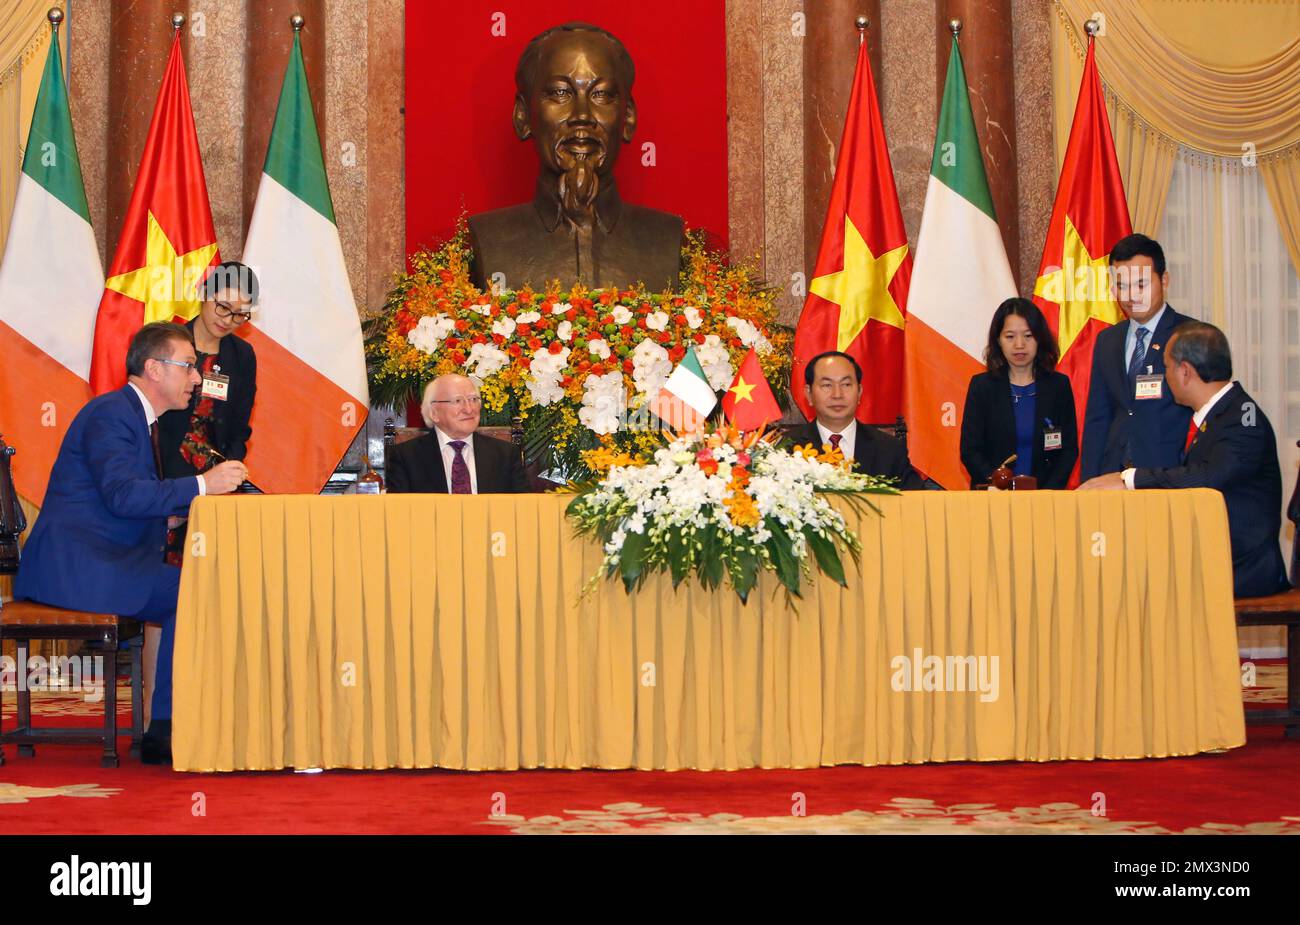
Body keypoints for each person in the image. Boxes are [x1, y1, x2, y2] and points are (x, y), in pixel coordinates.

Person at [13, 323, 248, 763]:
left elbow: (116, 500)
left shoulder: (134, 416)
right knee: (192, 590)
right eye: (189, 367)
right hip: (80, 567)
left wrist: (174, 514)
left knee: (192, 586)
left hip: (103, 557)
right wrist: (203, 483)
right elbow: (123, 495)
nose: (197, 379)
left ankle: (174, 722)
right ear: (155, 369)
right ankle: (168, 728)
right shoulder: (112, 415)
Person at [467, 21, 684, 291]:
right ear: (523, 116)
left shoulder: (669, 239)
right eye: (561, 93)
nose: (582, 115)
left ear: (628, 118)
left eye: (601, 94)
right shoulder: (489, 239)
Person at [1080, 322, 1288, 598]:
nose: (1165, 376)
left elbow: (1206, 478)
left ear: (1186, 372)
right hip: (1214, 556)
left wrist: (1128, 479)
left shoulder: (1243, 420)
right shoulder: (1223, 414)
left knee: (1138, 585)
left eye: (1166, 367)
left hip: (1241, 567)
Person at [157, 261, 259, 563]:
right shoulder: (168, 342)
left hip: (216, 471)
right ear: (204, 294)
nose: (228, 320)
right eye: (223, 307)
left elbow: (240, 427)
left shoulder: (242, 355)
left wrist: (229, 472)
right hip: (165, 466)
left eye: (240, 314)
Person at [1081, 233, 1193, 480]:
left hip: (1168, 477)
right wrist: (1089, 480)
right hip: (1113, 477)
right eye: (1122, 286)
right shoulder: (1107, 341)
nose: (1131, 295)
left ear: (1164, 280)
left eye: (1141, 284)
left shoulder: (1189, 335)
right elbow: (1097, 419)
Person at [960, 298, 1077, 488]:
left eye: (1028, 336)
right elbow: (970, 450)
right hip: (994, 498)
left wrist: (1049, 493)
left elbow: (1069, 450)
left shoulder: (1058, 386)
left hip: (1046, 498)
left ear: (1040, 339)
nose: (1020, 344)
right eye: (1010, 336)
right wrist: (997, 483)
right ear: (998, 340)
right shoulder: (982, 387)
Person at [784, 351, 924, 490]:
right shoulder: (786, 449)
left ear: (859, 392)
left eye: (846, 385)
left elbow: (916, 502)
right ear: (809, 394)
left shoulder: (889, 449)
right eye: (827, 385)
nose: (837, 395)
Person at [386, 374, 531, 494]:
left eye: (473, 400)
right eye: (457, 401)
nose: (469, 409)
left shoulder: (505, 454)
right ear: (434, 413)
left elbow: (521, 510)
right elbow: (401, 515)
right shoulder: (406, 457)